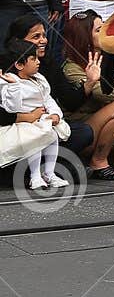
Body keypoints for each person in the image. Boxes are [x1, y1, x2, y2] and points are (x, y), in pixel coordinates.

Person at [57, 10, 114, 180]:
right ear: (84, 37)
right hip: (83, 132)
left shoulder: (104, 58)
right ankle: (98, 161)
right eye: (98, 31)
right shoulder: (72, 67)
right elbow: (113, 96)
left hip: (106, 125)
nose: (105, 34)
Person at [0, 37, 69, 190]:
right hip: (22, 123)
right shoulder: (9, 81)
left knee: (52, 136)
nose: (38, 61)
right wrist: (13, 87)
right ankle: (35, 176)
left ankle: (49, 173)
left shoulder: (38, 79)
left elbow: (48, 99)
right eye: (33, 58)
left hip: (41, 120)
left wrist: (56, 114)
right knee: (35, 139)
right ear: (19, 64)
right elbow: (12, 107)